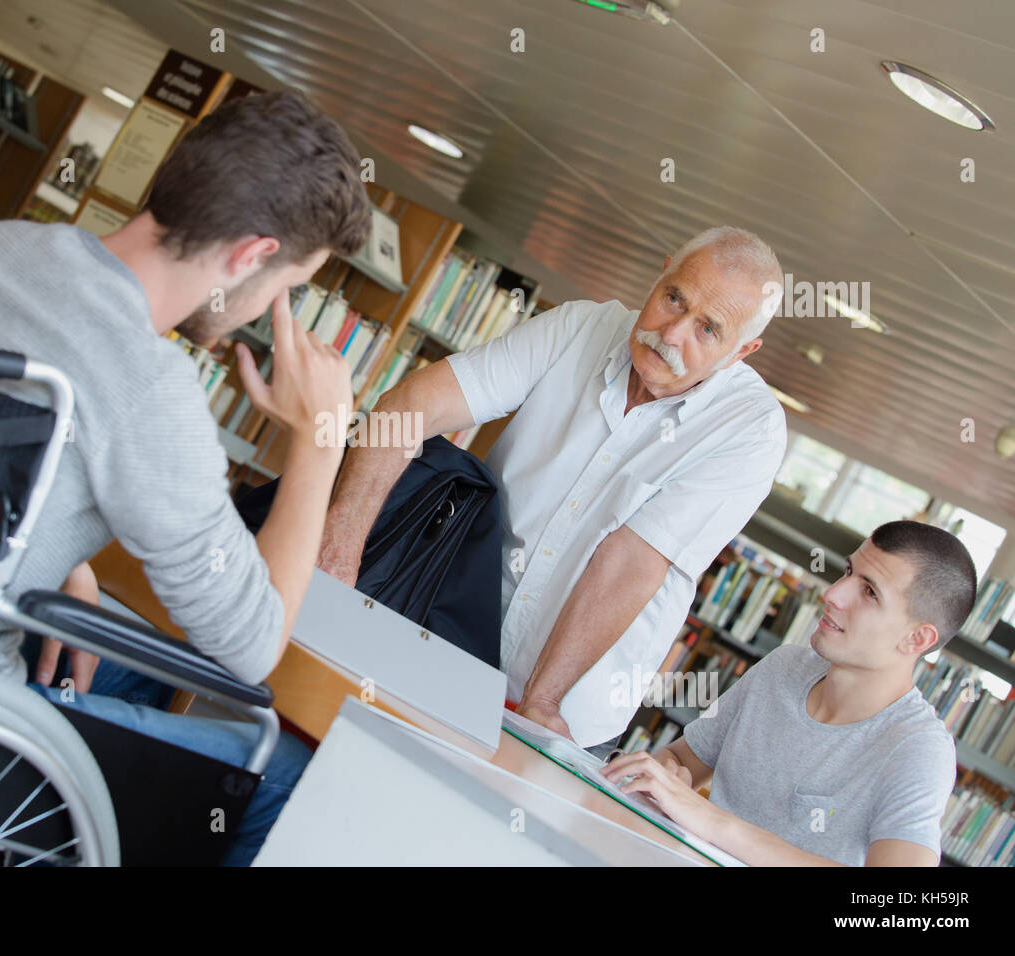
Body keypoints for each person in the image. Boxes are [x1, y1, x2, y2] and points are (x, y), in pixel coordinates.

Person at [0, 89, 373, 864]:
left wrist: (69, 558)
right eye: (286, 287)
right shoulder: (150, 390)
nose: (270, 309)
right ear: (250, 256)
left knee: (135, 667)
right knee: (280, 769)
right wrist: (319, 443)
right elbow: (251, 647)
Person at [318, 226, 788, 754]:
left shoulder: (751, 430)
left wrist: (542, 701)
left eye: (708, 329)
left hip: (568, 707)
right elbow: (412, 406)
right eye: (673, 298)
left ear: (742, 351)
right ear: (661, 273)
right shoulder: (579, 326)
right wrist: (339, 548)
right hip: (444, 634)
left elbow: (629, 561)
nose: (673, 332)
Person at [601, 521, 971, 866]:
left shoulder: (919, 749)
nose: (833, 594)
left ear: (917, 639)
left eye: (870, 592)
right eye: (847, 573)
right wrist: (668, 778)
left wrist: (714, 823)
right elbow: (682, 759)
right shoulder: (783, 667)